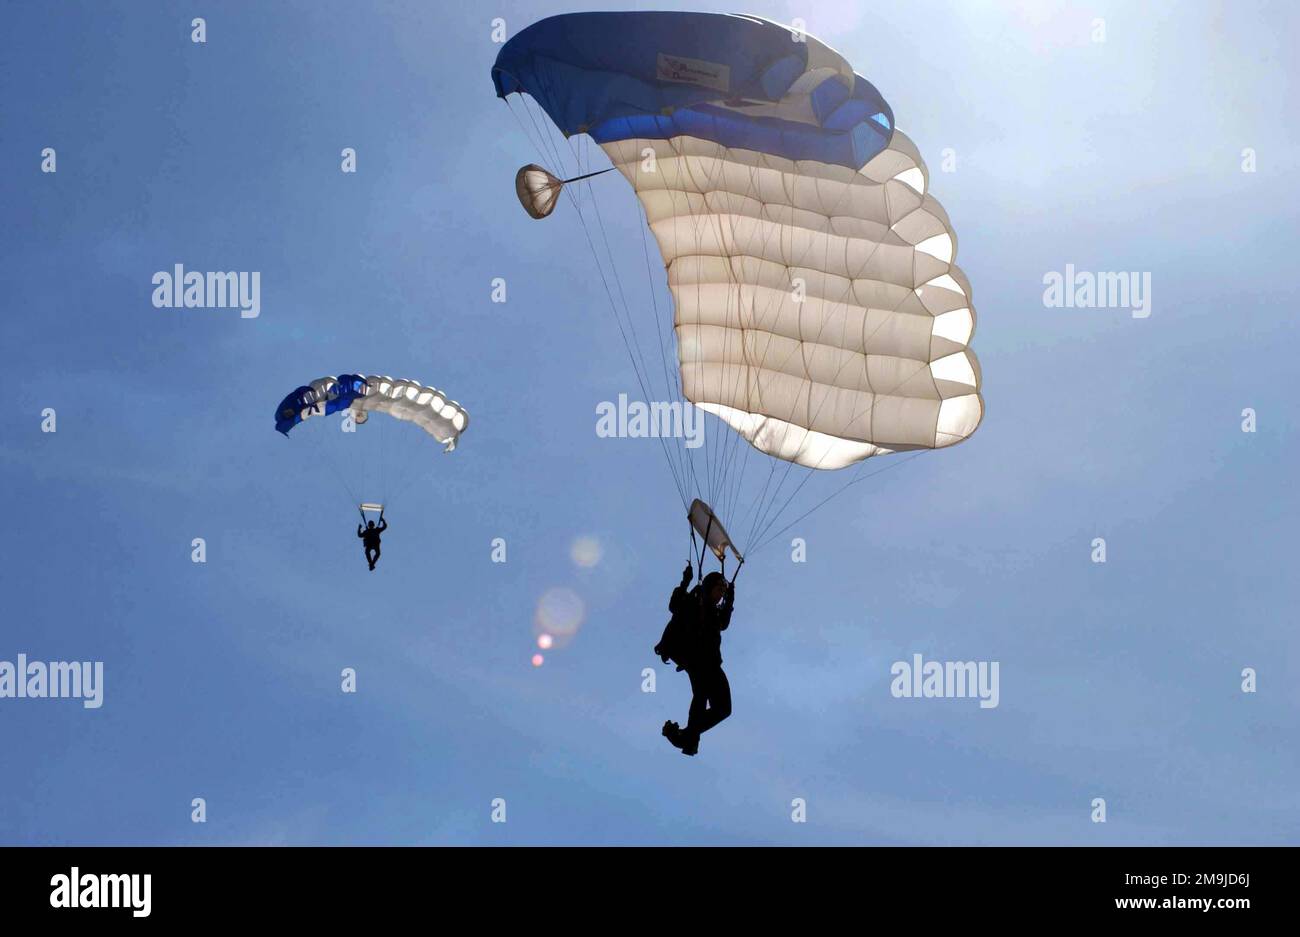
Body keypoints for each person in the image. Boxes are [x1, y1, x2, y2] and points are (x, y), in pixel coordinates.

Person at [657, 565, 734, 756]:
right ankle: (689, 740)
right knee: (701, 695)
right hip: (696, 660)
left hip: (712, 663)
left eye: (722, 592)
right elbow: (674, 606)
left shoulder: (715, 612)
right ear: (709, 587)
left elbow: (723, 623)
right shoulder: (695, 601)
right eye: (719, 590)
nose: (720, 595)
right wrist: (685, 582)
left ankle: (686, 736)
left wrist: (730, 598)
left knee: (724, 709)